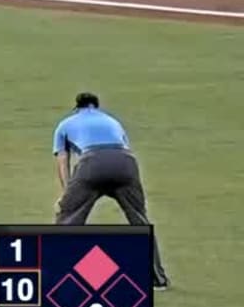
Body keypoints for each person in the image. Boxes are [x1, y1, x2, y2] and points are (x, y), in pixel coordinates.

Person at [52, 92, 171, 290]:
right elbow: (124, 148)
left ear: (76, 107)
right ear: (96, 106)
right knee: (140, 222)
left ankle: (60, 276)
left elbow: (62, 161)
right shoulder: (112, 121)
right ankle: (157, 280)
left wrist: (66, 195)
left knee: (68, 220)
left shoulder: (65, 124)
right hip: (126, 163)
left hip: (92, 164)